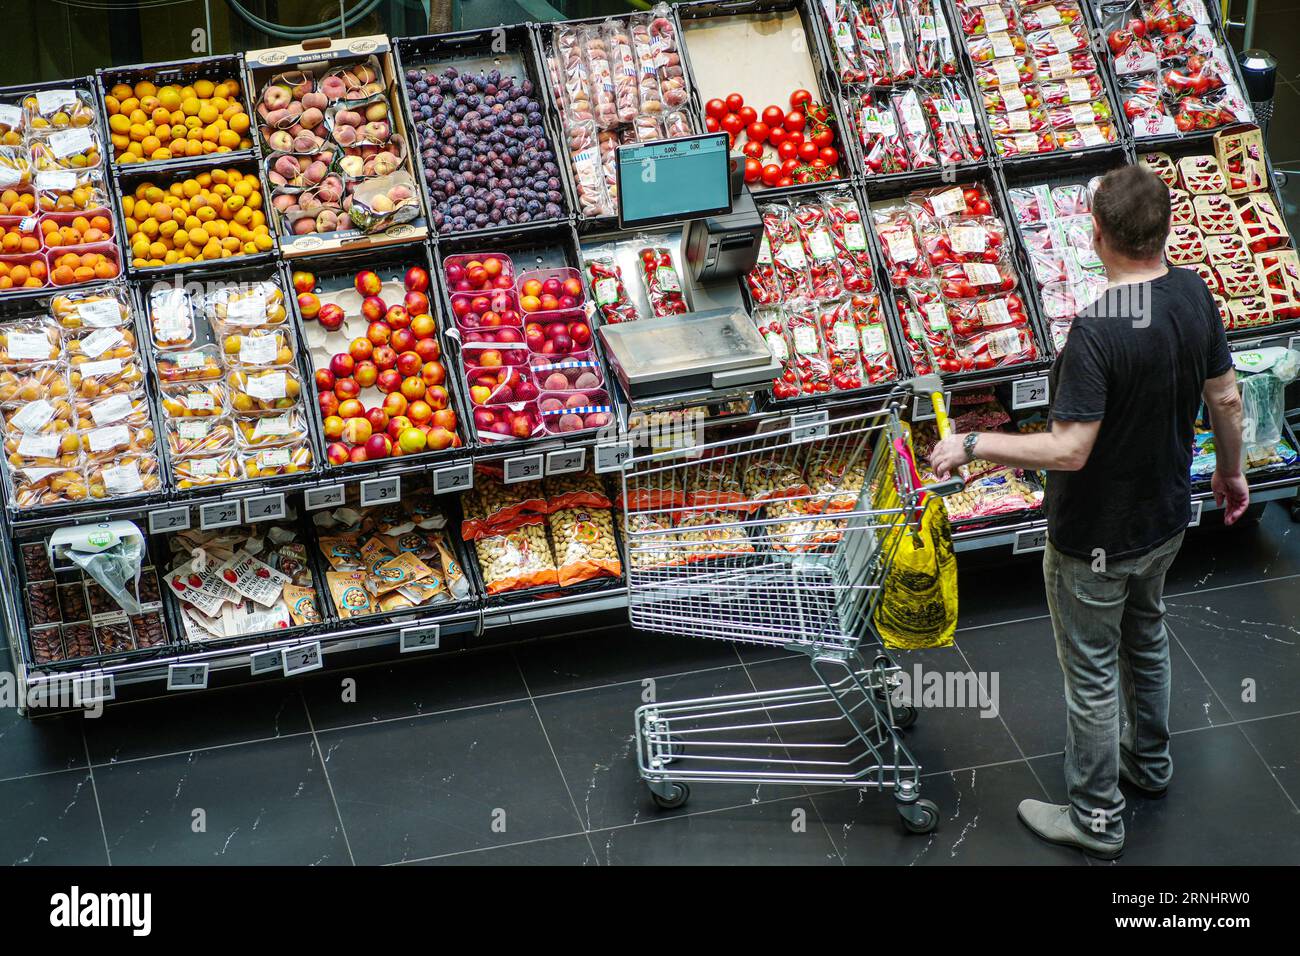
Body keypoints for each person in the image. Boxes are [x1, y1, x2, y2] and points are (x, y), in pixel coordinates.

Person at [929, 164, 1249, 859]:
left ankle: (1096, 817)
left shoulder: (1099, 331)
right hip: (1166, 515)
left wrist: (973, 443)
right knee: (1148, 634)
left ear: (1096, 236)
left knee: (1094, 670)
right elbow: (1226, 398)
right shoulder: (1194, 292)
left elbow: (1071, 450)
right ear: (1166, 228)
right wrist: (1230, 472)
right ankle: (1151, 765)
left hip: (1095, 539)